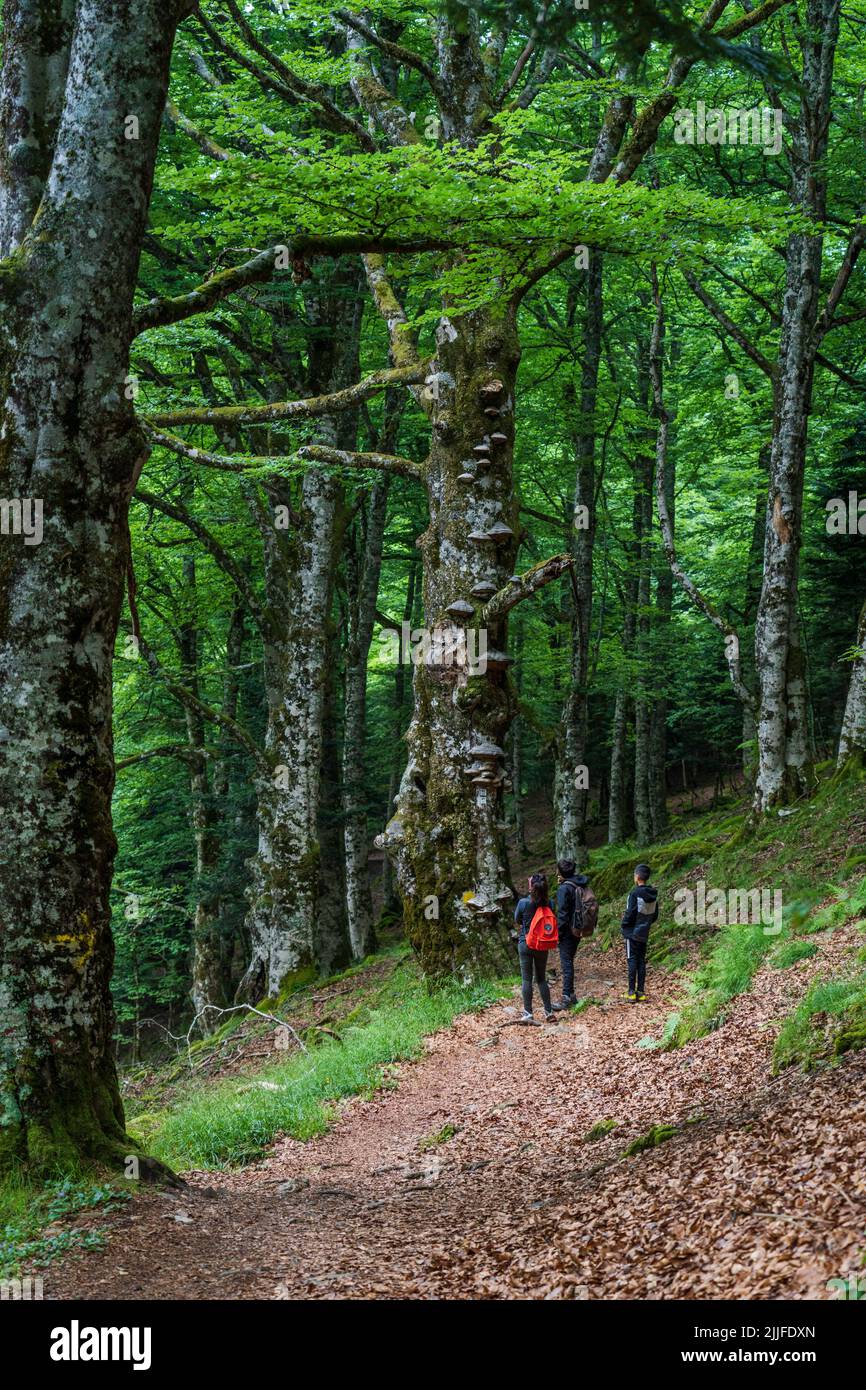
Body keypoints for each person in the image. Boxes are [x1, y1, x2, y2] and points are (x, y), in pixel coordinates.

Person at [513, 873, 556, 1023]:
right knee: (541, 979)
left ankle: (528, 1013)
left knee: (526, 979)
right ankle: (549, 1012)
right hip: (542, 944)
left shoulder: (523, 903)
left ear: (531, 887)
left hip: (526, 943)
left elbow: (517, 919)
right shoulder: (550, 903)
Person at [552, 857, 591, 1010]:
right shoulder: (580, 883)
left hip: (568, 930)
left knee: (566, 963)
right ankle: (572, 994)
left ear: (561, 872)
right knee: (569, 961)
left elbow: (562, 915)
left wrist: (559, 934)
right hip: (578, 928)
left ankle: (566, 997)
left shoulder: (564, 889)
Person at [621, 863, 659, 1003]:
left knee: (632, 960)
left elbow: (630, 913)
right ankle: (641, 992)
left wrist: (624, 925)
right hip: (644, 932)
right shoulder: (653, 894)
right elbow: (655, 915)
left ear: (637, 877)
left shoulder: (634, 894)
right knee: (641, 961)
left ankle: (631, 992)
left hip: (632, 933)